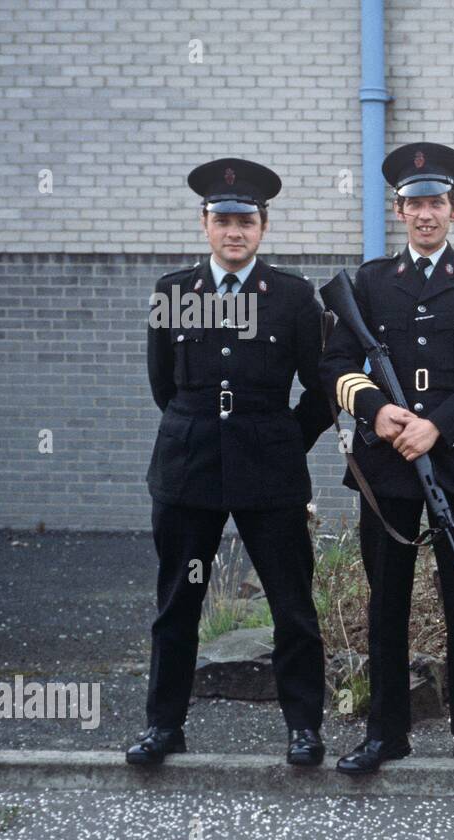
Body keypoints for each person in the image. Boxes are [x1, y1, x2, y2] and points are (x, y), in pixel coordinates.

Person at [319, 143, 454, 776]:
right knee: (387, 601)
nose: (425, 215)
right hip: (387, 467)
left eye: (436, 203)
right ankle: (386, 734)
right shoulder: (370, 284)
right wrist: (377, 411)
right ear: (399, 211)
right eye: (413, 204)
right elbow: (336, 365)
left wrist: (435, 428)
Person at [132, 158, 331, 766]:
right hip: (189, 469)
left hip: (268, 471)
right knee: (176, 607)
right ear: (204, 224)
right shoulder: (172, 292)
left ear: (263, 226)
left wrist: (281, 439)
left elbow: (321, 391)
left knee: (291, 605)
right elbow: (163, 383)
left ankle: (303, 728)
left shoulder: (295, 297)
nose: (233, 231)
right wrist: (200, 429)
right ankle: (164, 727)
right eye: (222, 219)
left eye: (245, 220)